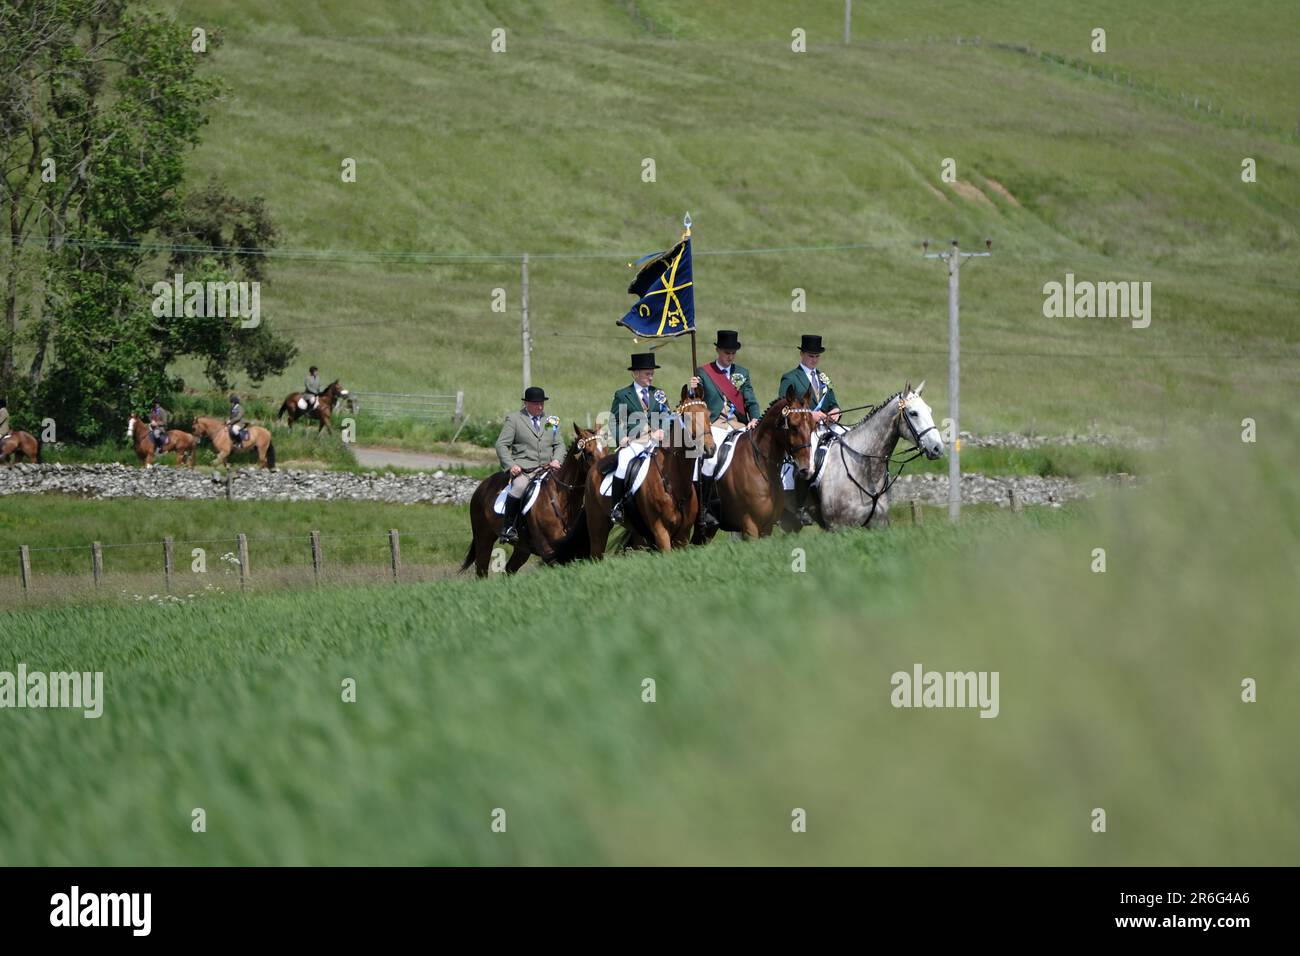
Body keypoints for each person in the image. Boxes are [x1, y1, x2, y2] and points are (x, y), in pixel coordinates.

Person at [690, 329, 760, 532]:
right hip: (715, 425)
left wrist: (754, 418)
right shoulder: (703, 372)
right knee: (710, 459)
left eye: (733, 353)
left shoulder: (742, 373)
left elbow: (750, 400)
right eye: (726, 352)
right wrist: (693, 387)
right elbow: (695, 400)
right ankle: (705, 507)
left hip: (738, 425)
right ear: (718, 350)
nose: (730, 356)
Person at [777, 334, 843, 526]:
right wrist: (811, 417)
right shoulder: (790, 377)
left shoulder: (823, 378)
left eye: (817, 356)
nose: (814, 359)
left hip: (826, 427)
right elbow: (785, 407)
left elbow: (833, 403)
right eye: (810, 356)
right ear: (802, 354)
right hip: (804, 430)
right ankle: (801, 506)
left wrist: (835, 413)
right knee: (808, 455)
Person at [494, 386, 564, 543]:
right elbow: (501, 445)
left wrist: (557, 460)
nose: (539, 407)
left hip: (548, 469)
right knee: (518, 487)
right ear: (526, 403)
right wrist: (510, 465)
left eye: (541, 403)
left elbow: (560, 445)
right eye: (535, 404)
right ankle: (509, 528)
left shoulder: (551, 421)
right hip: (525, 470)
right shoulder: (514, 420)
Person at [607, 353, 671, 520]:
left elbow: (666, 415)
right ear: (635, 373)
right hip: (636, 441)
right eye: (647, 373)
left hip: (657, 441)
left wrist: (663, 430)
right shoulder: (623, 395)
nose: (651, 377)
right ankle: (617, 506)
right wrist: (621, 437)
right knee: (622, 463)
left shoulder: (659, 394)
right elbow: (613, 420)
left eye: (652, 373)